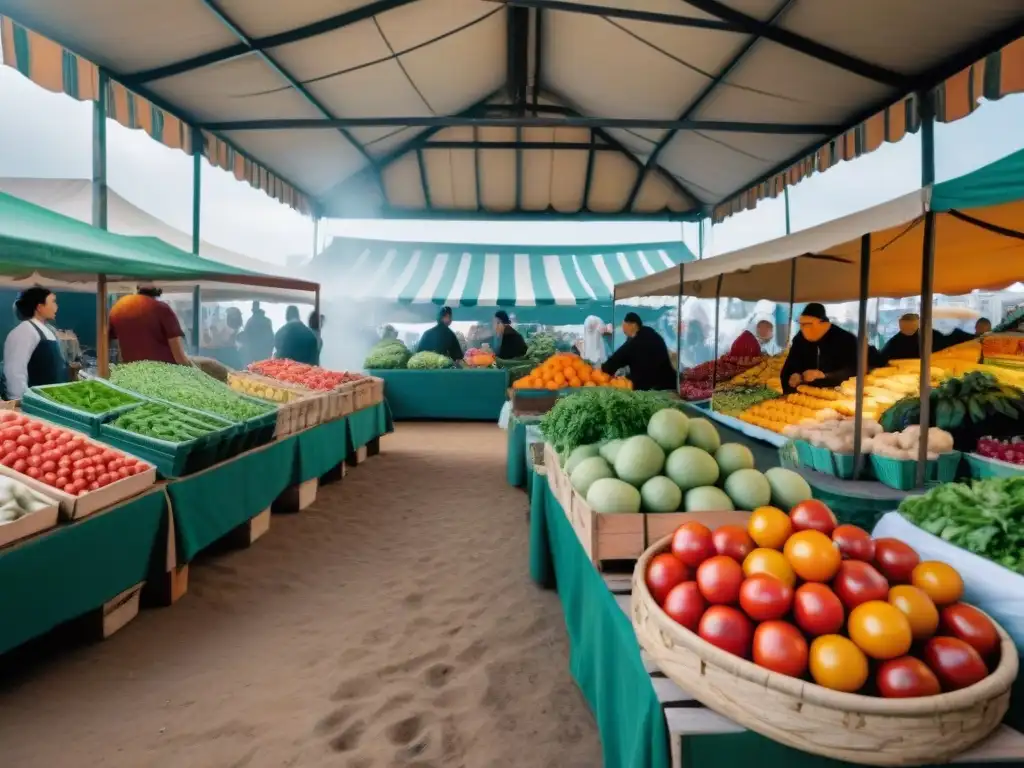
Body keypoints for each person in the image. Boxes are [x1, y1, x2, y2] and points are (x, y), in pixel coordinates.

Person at [2, 287, 67, 400]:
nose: (56, 306)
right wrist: (19, 401)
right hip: (35, 402)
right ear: (39, 307)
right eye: (53, 301)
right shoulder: (24, 330)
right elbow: (15, 372)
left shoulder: (47, 329)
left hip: (50, 399)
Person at [780, 303, 858, 394]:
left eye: (809, 324)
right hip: (804, 394)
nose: (805, 329)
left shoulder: (843, 338)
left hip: (837, 394)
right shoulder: (799, 339)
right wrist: (795, 375)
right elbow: (790, 366)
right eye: (802, 325)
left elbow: (854, 369)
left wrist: (825, 375)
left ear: (822, 323)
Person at [109, 283, 191, 365]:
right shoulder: (162, 309)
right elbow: (179, 357)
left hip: (131, 370)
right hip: (160, 372)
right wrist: (192, 371)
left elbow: (113, 344)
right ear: (157, 292)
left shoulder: (118, 308)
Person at [601, 312, 677, 391]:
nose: (623, 329)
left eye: (624, 325)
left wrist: (605, 369)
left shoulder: (634, 343)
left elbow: (617, 358)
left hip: (653, 388)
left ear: (633, 325)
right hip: (670, 382)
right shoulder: (650, 333)